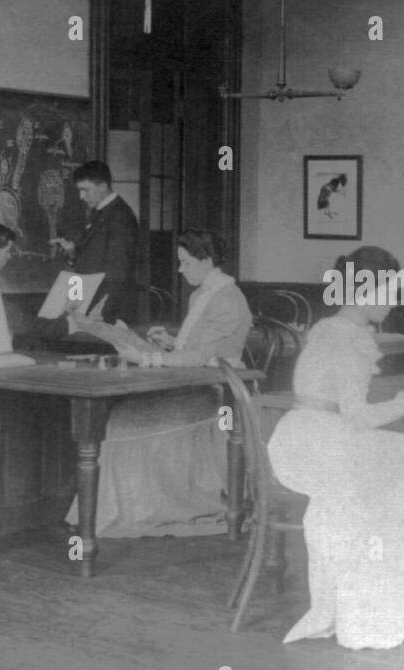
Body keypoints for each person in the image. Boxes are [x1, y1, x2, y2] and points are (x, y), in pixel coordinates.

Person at [267, 246, 404, 649]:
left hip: (301, 435)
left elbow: (343, 401)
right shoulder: (351, 339)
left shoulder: (328, 327)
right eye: (389, 293)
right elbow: (357, 417)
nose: (393, 303)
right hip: (322, 444)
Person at [65, 230, 252, 538]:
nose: (180, 270)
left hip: (218, 395)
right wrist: (172, 342)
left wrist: (147, 357)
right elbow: (196, 350)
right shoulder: (202, 293)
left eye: (185, 262)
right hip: (195, 381)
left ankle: (140, 509)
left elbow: (202, 357)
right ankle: (119, 509)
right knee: (121, 415)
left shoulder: (228, 299)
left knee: (125, 421)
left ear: (207, 261)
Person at [49, 160, 139, 324]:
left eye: (85, 190)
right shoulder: (100, 212)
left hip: (105, 306)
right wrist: (72, 252)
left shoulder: (120, 216)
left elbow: (119, 268)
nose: (81, 196)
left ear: (103, 186)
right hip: (90, 299)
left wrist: (104, 305)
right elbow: (95, 256)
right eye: (80, 190)